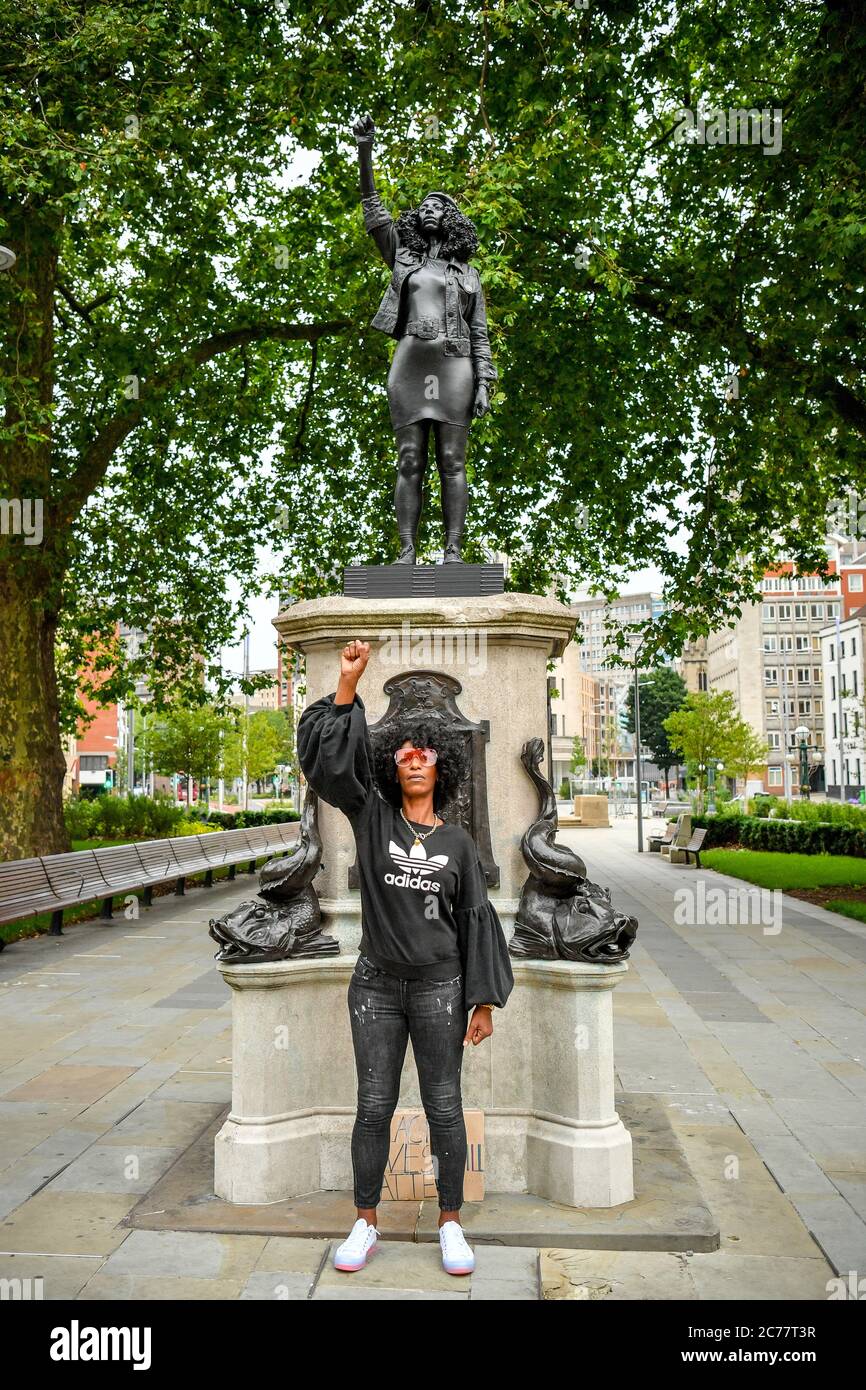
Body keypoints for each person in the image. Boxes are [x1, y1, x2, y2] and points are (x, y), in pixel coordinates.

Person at [296, 640, 514, 1276]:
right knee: (373, 1107)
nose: (415, 759)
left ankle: (450, 1224)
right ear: (394, 767)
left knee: (444, 1106)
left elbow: (477, 921)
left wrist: (482, 999)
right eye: (405, 753)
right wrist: (346, 682)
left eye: (425, 754)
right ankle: (365, 1222)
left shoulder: (458, 846)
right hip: (376, 988)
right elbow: (331, 769)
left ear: (440, 768)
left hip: (441, 990)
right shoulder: (372, 819)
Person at [353, 113, 498, 564]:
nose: (432, 209)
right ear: (418, 218)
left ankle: (453, 551)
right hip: (411, 362)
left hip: (455, 366)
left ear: (453, 221)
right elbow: (373, 207)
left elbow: (480, 334)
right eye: (426, 206)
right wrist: (364, 148)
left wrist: (485, 383)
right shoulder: (403, 257)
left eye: (442, 206)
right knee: (408, 460)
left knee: (453, 462)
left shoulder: (469, 275)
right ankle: (406, 552)